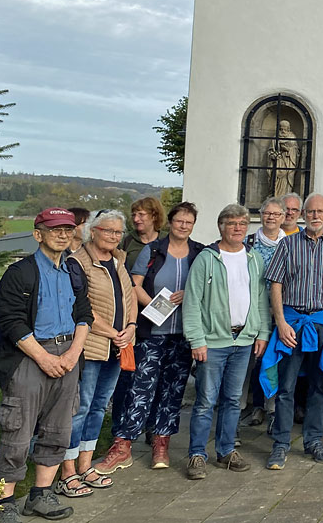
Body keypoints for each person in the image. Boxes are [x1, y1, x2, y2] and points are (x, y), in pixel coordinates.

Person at [0, 209, 92, 523]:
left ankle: (40, 494)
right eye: (54, 229)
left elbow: (85, 314)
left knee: (59, 429)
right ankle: (4, 502)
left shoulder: (74, 270)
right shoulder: (20, 272)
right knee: (17, 429)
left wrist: (74, 353)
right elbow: (10, 321)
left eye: (68, 229)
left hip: (68, 355)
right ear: (38, 234)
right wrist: (44, 358)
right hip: (29, 356)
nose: (62, 235)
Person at [95, 202, 204, 474]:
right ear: (170, 222)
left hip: (183, 335)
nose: (183, 226)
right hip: (152, 332)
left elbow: (205, 289)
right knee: (140, 390)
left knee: (173, 391)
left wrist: (188, 297)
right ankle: (123, 445)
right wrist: (157, 304)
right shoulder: (153, 251)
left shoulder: (199, 253)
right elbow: (134, 286)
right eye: (179, 221)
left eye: (188, 222)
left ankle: (161, 444)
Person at [262, 193, 323, 469]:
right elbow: (275, 284)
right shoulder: (287, 245)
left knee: (318, 386)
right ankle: (280, 444)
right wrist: (280, 322)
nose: (315, 216)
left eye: (320, 212)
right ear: (303, 214)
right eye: (310, 212)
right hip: (292, 323)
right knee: (287, 387)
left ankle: (313, 440)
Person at [182, 204, 271, 479]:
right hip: (213, 341)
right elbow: (192, 302)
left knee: (233, 400)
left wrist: (262, 332)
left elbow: (260, 300)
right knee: (206, 401)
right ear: (221, 226)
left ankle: (226, 451)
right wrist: (196, 340)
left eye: (242, 224)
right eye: (231, 223)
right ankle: (197, 455)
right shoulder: (206, 259)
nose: (237, 228)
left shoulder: (254, 259)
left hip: (243, 340)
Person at [60, 210, 136, 493]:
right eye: (108, 231)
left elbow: (128, 297)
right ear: (93, 231)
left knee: (98, 408)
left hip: (117, 347)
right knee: (80, 408)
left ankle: (85, 466)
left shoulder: (118, 261)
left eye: (118, 233)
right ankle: (68, 470)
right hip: (91, 347)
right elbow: (81, 305)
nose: (114, 237)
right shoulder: (78, 262)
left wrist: (130, 326)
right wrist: (113, 333)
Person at [114, 197, 165, 437]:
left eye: (142, 215)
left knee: (155, 375)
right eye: (134, 215)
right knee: (128, 373)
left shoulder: (166, 242)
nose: (136, 219)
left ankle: (150, 426)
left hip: (162, 317)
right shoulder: (126, 243)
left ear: (154, 216)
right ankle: (121, 427)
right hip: (134, 315)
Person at [241, 197, 285, 427]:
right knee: (250, 361)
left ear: (284, 217)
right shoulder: (248, 242)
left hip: (280, 312)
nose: (271, 218)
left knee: (273, 361)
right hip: (252, 312)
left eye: (276, 214)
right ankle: (250, 406)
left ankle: (272, 408)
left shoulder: (290, 243)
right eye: (267, 213)